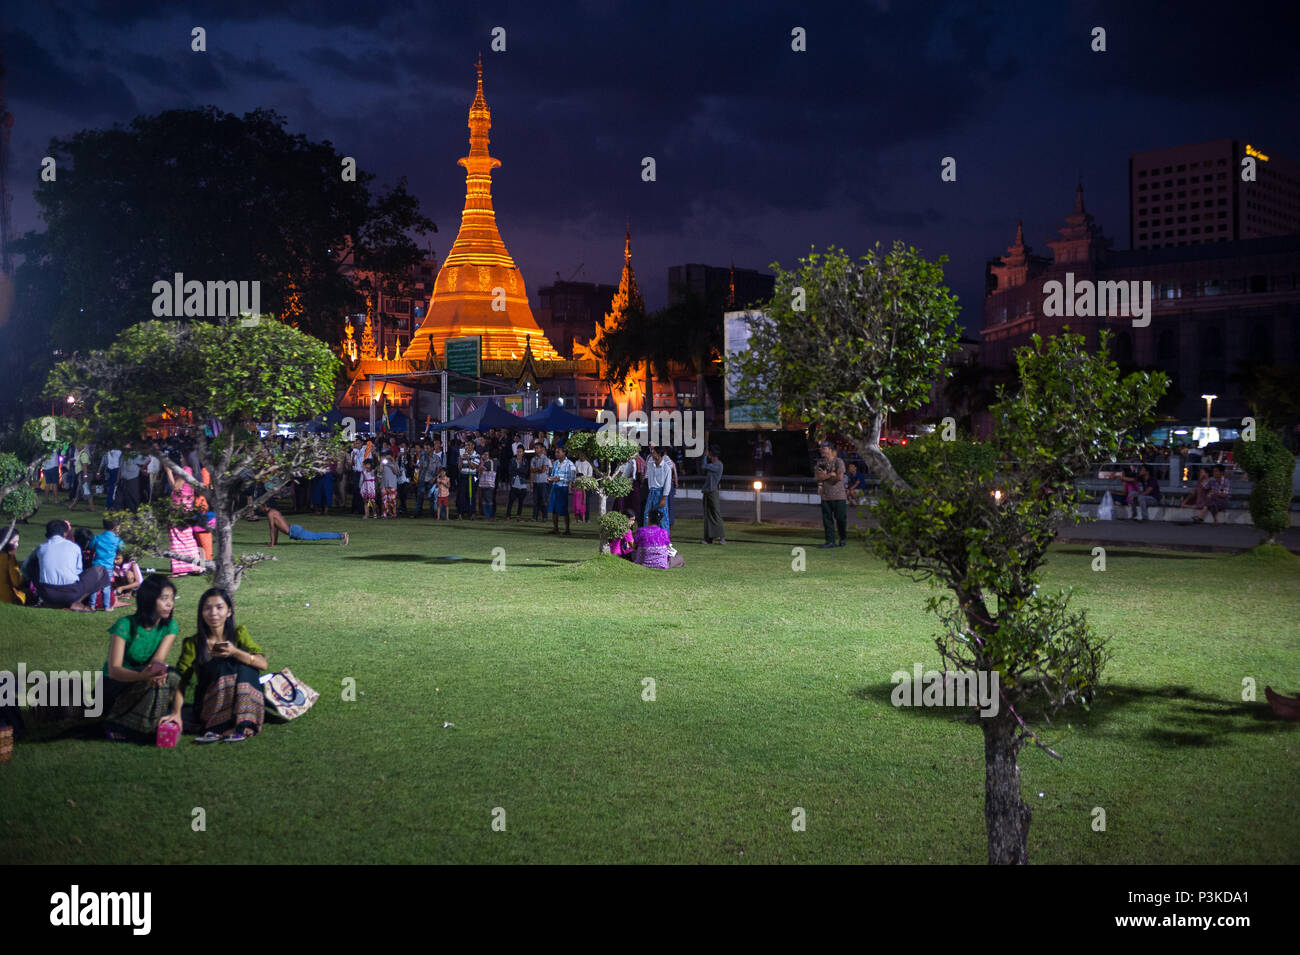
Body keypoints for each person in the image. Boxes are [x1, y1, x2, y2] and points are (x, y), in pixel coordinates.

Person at [168, 588, 268, 743]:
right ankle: (223, 726)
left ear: (229, 612)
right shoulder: (193, 644)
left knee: (246, 665)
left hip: (238, 700)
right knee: (222, 666)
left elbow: (263, 664)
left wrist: (235, 652)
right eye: (207, 608)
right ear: (201, 613)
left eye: (219, 607)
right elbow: (180, 682)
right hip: (210, 704)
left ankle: (243, 723)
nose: (213, 613)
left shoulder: (239, 634)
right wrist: (175, 712)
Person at [102, 574, 182, 742]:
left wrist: (157, 673)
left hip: (144, 679)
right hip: (115, 685)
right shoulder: (125, 624)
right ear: (149, 600)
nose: (170, 604)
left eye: (172, 599)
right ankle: (120, 724)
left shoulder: (170, 626)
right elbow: (114, 670)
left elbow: (157, 660)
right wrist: (144, 676)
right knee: (155, 680)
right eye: (164, 599)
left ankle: (148, 725)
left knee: (172, 677)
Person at [21, 519, 109, 611]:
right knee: (101, 570)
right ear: (65, 533)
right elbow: (78, 572)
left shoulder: (41, 548)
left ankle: (46, 600)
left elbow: (24, 568)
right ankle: (76, 602)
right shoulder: (74, 547)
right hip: (71, 593)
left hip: (47, 593)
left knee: (33, 564)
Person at [165, 465, 205, 575]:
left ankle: (184, 568)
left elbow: (176, 487)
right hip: (185, 505)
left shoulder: (187, 469)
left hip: (181, 507)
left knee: (178, 536)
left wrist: (168, 471)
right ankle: (195, 566)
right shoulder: (191, 469)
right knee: (186, 537)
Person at [814, 440, 847, 548]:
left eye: (824, 448)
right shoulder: (820, 463)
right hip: (826, 495)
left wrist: (825, 475)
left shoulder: (838, 462)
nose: (822, 450)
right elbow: (818, 477)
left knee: (841, 518)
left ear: (831, 450)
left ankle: (842, 538)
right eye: (821, 448)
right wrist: (830, 475)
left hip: (839, 495)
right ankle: (830, 541)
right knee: (827, 519)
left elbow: (840, 477)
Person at [261, 506, 349, 546]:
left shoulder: (270, 514)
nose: (259, 510)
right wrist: (274, 543)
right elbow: (276, 529)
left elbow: (272, 529)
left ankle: (341, 535)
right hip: (294, 529)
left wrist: (272, 544)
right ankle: (340, 535)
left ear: (263, 506)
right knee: (316, 536)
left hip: (294, 531)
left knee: (316, 536)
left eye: (259, 508)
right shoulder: (273, 512)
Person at [89, 517, 124, 610]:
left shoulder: (98, 537)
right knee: (106, 587)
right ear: (115, 528)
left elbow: (91, 545)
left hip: (96, 565)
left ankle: (92, 605)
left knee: (94, 586)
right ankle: (107, 606)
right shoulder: (117, 540)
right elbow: (123, 548)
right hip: (108, 566)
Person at [546, 445, 576, 535]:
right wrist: (551, 478)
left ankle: (567, 529)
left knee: (563, 509)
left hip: (563, 488)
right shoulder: (555, 463)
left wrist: (560, 479)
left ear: (564, 453)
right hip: (555, 487)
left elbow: (572, 478)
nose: (556, 454)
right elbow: (554, 475)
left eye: (558, 452)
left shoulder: (570, 464)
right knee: (554, 508)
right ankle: (555, 528)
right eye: (556, 452)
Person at [701, 445, 726, 545]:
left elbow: (703, 466)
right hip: (707, 491)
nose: (709, 457)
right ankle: (709, 538)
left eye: (710, 456)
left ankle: (722, 538)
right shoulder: (714, 465)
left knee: (716, 514)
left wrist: (704, 456)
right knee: (707, 515)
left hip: (713, 491)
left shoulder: (718, 465)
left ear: (714, 456)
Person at [644, 447, 672, 530]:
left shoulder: (666, 468)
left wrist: (664, 498)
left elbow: (667, 484)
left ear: (659, 454)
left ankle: (665, 538)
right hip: (652, 492)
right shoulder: (650, 465)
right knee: (647, 514)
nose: (652, 454)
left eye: (654, 452)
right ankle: (648, 535)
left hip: (660, 493)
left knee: (662, 515)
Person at [0, 532, 28, 605]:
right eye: (14, 542)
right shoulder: (9, 558)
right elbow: (17, 582)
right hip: (5, 598)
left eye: (17, 542)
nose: (17, 545)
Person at [507, 447, 530, 520]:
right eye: (517, 451)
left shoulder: (525, 461)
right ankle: (508, 515)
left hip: (522, 484)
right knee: (510, 501)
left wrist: (516, 470)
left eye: (520, 452)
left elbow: (525, 471)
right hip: (514, 483)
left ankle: (518, 516)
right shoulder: (512, 460)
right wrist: (520, 471)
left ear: (523, 453)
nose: (518, 453)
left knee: (521, 501)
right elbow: (510, 471)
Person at [530, 443, 551, 521]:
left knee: (543, 500)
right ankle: (534, 517)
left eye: (537, 448)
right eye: (535, 448)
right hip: (535, 481)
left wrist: (536, 469)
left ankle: (544, 517)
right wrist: (531, 482)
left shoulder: (545, 459)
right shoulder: (533, 459)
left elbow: (543, 470)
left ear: (542, 449)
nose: (536, 449)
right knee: (535, 500)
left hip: (543, 482)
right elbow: (531, 471)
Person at [573, 451, 593, 523]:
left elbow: (589, 475)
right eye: (580, 455)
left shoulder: (588, 464)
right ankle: (580, 518)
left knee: (586, 502)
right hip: (578, 485)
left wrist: (585, 483)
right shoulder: (577, 462)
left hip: (585, 485)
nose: (581, 457)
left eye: (582, 455)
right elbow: (574, 473)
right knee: (578, 502)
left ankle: (587, 518)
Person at [350, 438, 367, 514]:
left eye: (359, 443)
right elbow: (352, 464)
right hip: (356, 473)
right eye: (356, 443)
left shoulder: (365, 450)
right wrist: (353, 456)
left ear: (362, 443)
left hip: (363, 472)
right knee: (356, 490)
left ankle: (362, 509)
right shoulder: (353, 451)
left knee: (363, 491)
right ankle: (355, 508)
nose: (357, 445)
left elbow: (368, 461)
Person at [478, 454, 497, 518]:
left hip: (488, 484)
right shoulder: (488, 462)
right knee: (486, 500)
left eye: (486, 454)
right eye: (483, 454)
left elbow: (481, 470)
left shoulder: (488, 462)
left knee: (488, 500)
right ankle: (487, 514)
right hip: (486, 484)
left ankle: (489, 515)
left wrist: (481, 461)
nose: (484, 456)